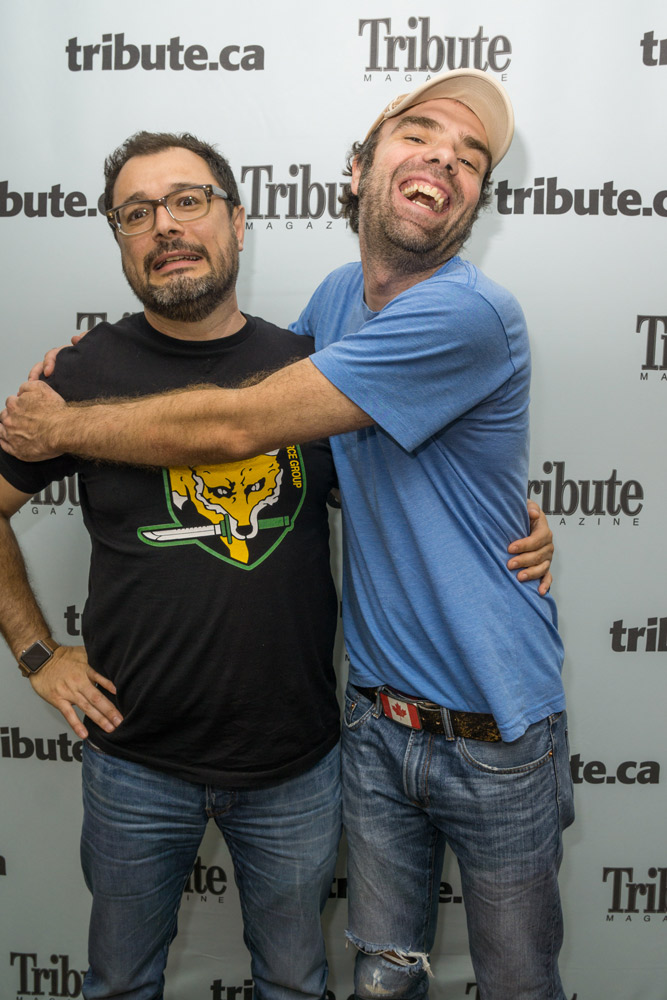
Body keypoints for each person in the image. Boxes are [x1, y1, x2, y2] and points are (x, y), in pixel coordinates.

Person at [0, 69, 567, 1000]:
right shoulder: (331, 311)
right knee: (372, 976)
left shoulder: (440, 319)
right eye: (137, 213)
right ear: (356, 170)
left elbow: (241, 425)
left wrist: (66, 424)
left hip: (446, 737)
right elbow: (326, 427)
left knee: (496, 982)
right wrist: (35, 652)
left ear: (238, 217)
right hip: (339, 729)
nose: (168, 227)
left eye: (189, 201)